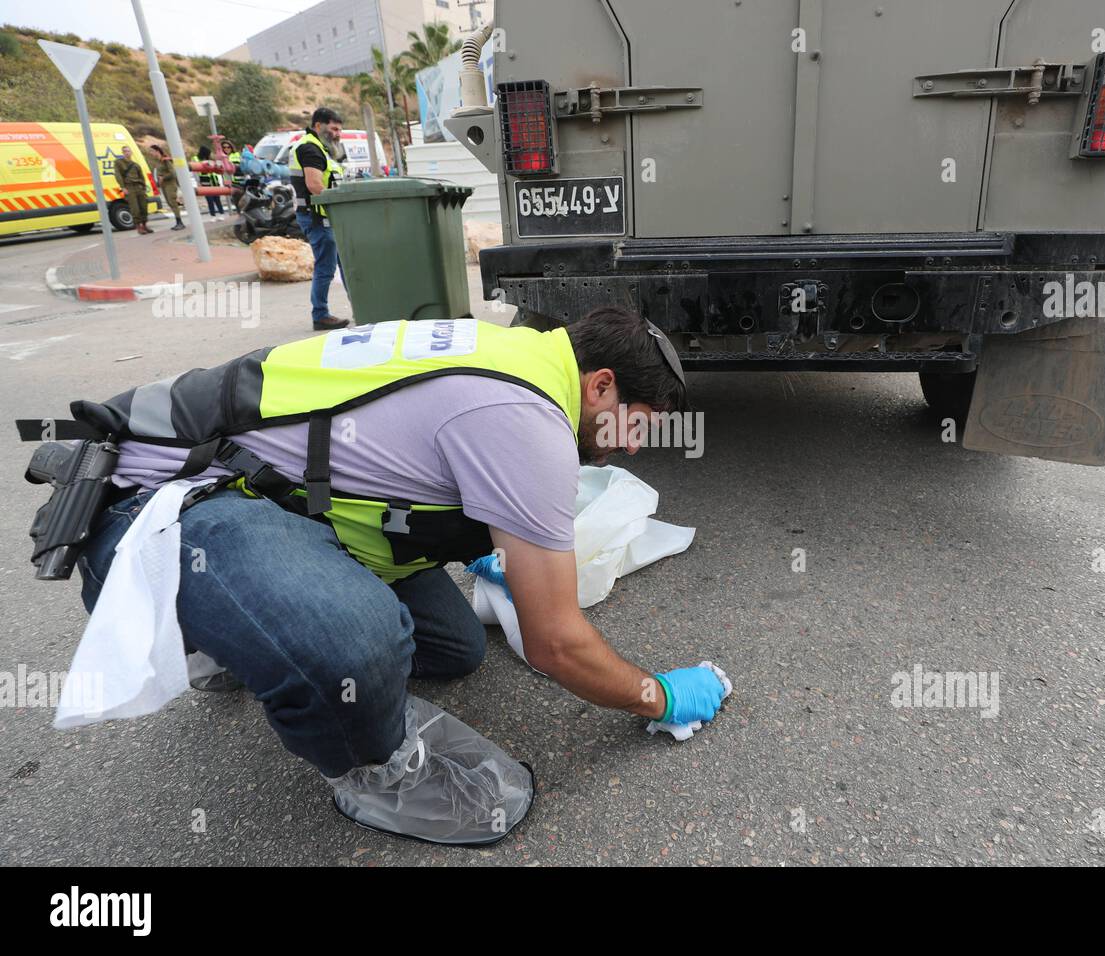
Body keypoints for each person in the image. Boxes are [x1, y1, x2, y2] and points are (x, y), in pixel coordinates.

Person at [64, 308, 724, 845]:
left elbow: (411, 460)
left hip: (295, 501)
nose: (636, 446)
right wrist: (656, 696)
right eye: (638, 426)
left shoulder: (521, 358)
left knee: (454, 647)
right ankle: (365, 770)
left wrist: (491, 549)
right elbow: (556, 642)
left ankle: (255, 624)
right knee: (361, 642)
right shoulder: (528, 418)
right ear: (601, 385)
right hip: (172, 499)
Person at [290, 107, 350, 331]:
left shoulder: (323, 149)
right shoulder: (310, 148)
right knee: (326, 267)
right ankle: (320, 314)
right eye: (333, 128)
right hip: (317, 217)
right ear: (318, 126)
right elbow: (315, 185)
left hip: (329, 217)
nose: (337, 133)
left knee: (347, 264)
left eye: (339, 129)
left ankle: (360, 305)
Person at [113, 145, 152, 235]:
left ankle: (145, 225)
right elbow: (117, 175)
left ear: (131, 152)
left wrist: (144, 187)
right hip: (129, 187)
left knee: (144, 207)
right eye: (125, 151)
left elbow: (141, 176)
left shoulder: (135, 165)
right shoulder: (119, 163)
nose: (127, 153)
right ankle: (138, 227)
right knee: (135, 209)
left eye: (128, 151)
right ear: (122, 153)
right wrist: (123, 187)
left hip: (139, 187)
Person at [148, 144, 184, 231]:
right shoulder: (158, 161)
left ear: (157, 151)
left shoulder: (165, 160)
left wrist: (163, 177)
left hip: (170, 184)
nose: (151, 153)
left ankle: (180, 222)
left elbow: (173, 173)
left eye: (152, 151)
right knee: (170, 203)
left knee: (173, 202)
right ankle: (177, 221)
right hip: (164, 185)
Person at [194, 145, 225, 219]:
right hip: (205, 182)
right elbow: (196, 173)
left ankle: (221, 213)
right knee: (210, 200)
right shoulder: (197, 160)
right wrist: (198, 182)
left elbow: (220, 168)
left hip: (214, 182)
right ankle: (213, 215)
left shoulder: (213, 160)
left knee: (217, 199)